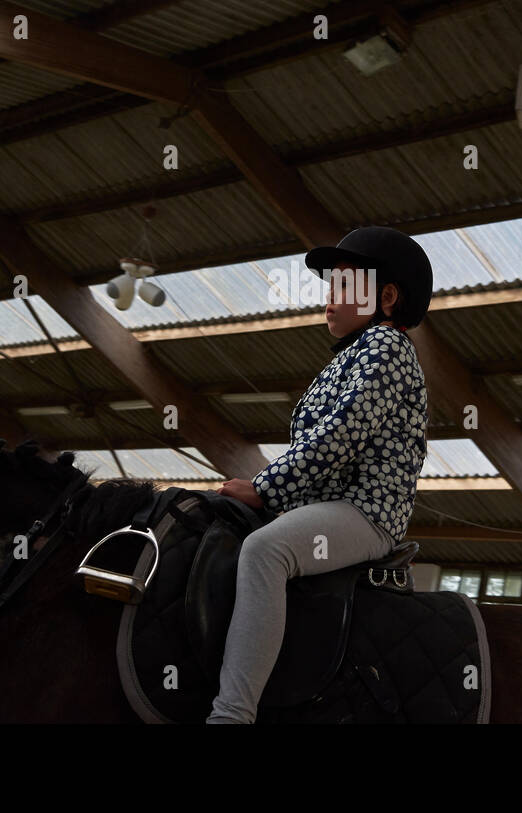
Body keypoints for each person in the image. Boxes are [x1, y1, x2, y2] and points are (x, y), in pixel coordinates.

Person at [207, 226, 433, 723]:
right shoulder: (350, 355)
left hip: (365, 513)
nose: (329, 298)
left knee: (266, 550)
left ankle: (231, 713)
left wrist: (265, 488)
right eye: (329, 287)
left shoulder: (386, 347)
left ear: (388, 298)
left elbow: (339, 436)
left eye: (344, 286)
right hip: (326, 506)